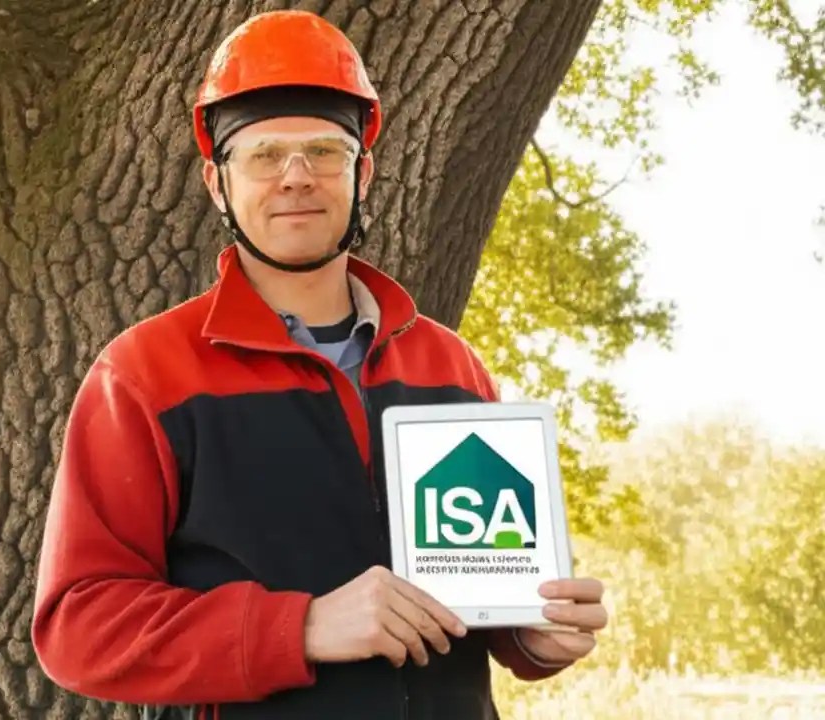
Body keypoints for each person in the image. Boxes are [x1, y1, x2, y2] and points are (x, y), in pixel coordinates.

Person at [31, 9, 607, 719]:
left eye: (324, 152)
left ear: (362, 173)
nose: (296, 177)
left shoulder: (450, 366)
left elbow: (488, 593)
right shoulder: (144, 374)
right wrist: (299, 629)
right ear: (219, 185)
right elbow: (79, 627)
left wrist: (534, 634)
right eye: (265, 154)